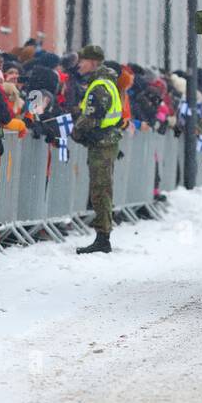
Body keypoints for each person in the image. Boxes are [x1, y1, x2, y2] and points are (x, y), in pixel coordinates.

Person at [71, 45, 123, 255]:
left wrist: (77, 130)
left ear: (92, 62)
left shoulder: (99, 86)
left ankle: (103, 238)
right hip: (105, 142)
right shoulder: (105, 82)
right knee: (102, 189)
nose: (79, 65)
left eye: (82, 61)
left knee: (100, 190)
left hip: (101, 143)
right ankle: (103, 235)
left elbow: (93, 117)